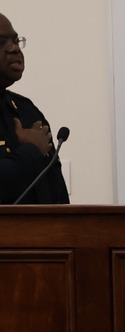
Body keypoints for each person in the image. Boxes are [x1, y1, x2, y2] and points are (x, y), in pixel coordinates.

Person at [0, 12, 69, 204]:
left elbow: (55, 192)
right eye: (1, 42)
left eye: (15, 40)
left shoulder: (26, 110)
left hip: (39, 233)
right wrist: (31, 150)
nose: (14, 49)